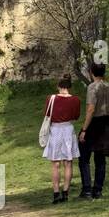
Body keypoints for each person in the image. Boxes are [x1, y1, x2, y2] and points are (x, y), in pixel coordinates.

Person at [79, 62, 109, 200]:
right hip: (106, 123)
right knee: (100, 160)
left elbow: (91, 109)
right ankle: (98, 190)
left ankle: (87, 190)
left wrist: (84, 129)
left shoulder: (92, 87)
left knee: (84, 158)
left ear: (91, 72)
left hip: (94, 123)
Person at [42, 74, 81, 204]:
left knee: (55, 164)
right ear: (69, 86)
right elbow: (76, 116)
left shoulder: (51, 98)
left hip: (56, 130)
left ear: (58, 86)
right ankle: (65, 193)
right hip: (68, 129)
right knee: (68, 163)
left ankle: (56, 193)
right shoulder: (76, 100)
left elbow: (47, 114)